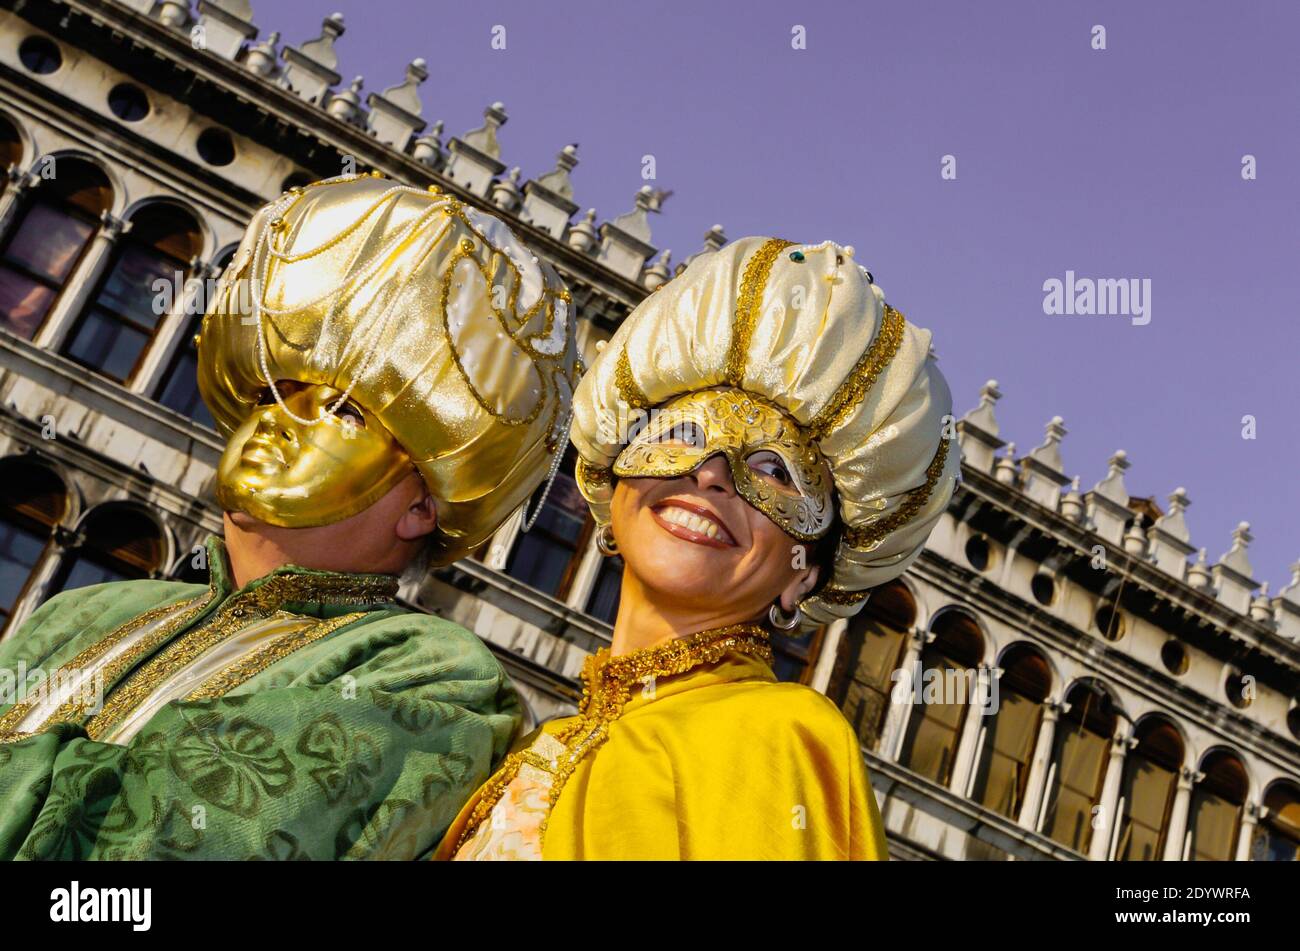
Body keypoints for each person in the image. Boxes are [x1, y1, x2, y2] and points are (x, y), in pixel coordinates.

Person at [0, 173, 580, 859]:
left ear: (422, 505)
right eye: (277, 392)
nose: (281, 421)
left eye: (343, 412)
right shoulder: (87, 612)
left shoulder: (436, 674)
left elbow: (186, 836)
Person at [436, 236, 959, 860]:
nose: (711, 472)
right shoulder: (532, 752)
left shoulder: (782, 737)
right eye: (683, 433)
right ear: (611, 481)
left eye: (774, 472)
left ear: (804, 577)